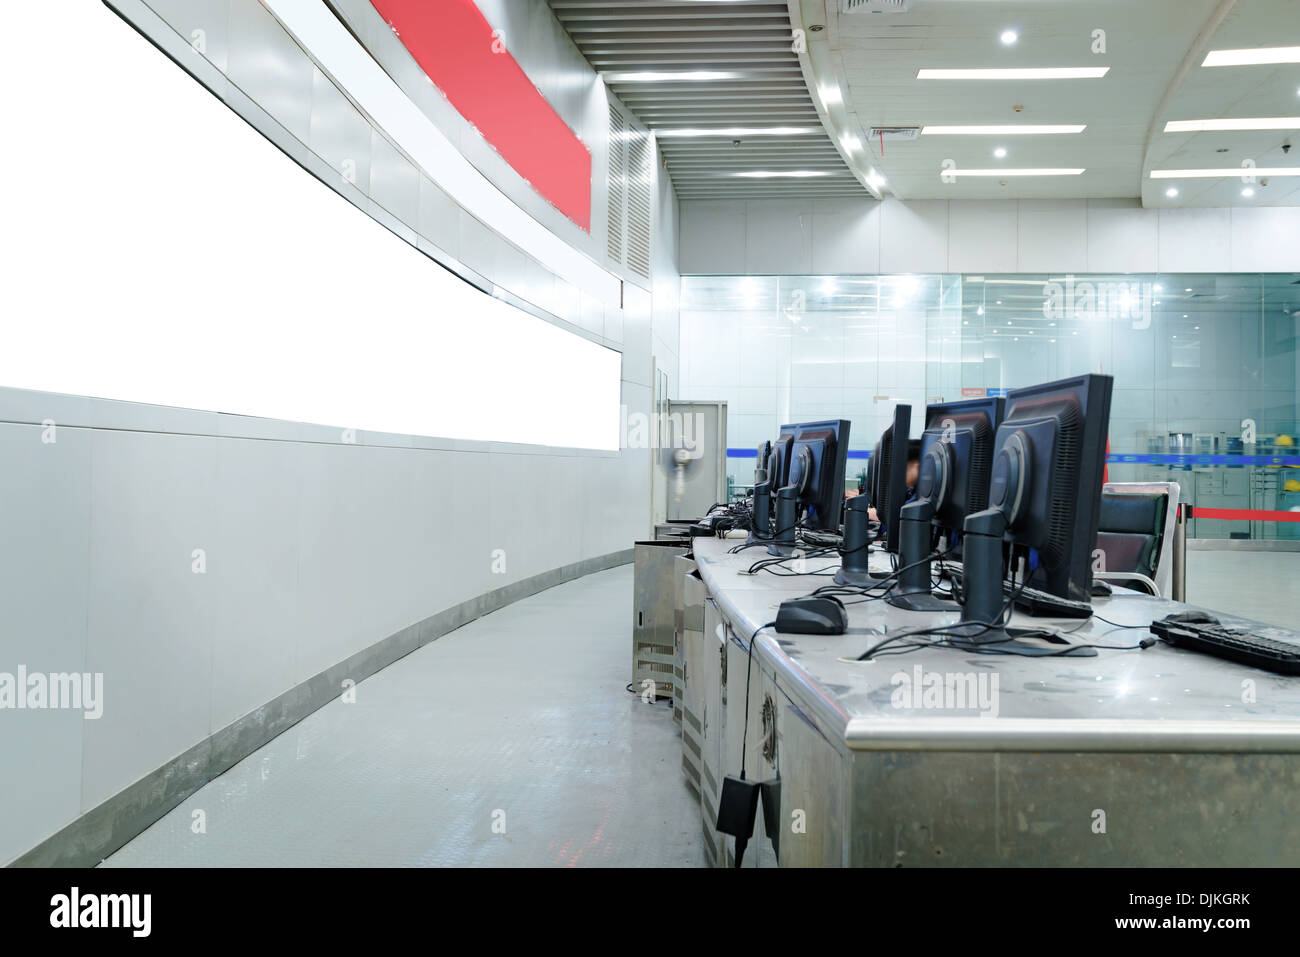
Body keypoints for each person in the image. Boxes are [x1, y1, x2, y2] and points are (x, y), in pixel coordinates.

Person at [846, 439, 922, 523]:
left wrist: (870, 512)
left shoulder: (922, 492)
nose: (897, 475)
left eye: (901, 469)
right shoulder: (911, 488)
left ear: (917, 467)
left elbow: (903, 515)